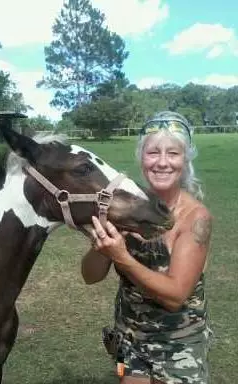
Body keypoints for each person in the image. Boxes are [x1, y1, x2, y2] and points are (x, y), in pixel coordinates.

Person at [82, 111, 213, 384]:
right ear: (142, 157)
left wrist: (122, 257)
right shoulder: (126, 207)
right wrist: (101, 246)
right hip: (129, 343)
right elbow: (90, 276)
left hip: (179, 347)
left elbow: (175, 296)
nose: (162, 162)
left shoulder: (196, 218)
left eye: (173, 154)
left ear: (185, 160)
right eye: (153, 152)